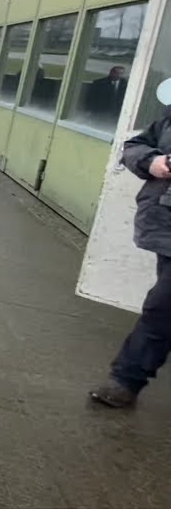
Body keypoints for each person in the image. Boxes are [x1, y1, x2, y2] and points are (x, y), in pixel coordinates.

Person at [89, 88, 171, 408]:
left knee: (161, 306)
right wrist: (153, 162)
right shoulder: (167, 120)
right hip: (165, 228)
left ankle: (127, 379)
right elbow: (135, 145)